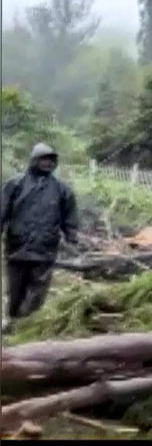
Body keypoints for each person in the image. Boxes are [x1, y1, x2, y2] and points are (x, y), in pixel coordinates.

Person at [0, 143, 79, 335]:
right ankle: (12, 320)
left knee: (37, 292)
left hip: (45, 250)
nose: (47, 163)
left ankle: (25, 325)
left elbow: (70, 217)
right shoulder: (15, 184)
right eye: (44, 159)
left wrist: (72, 236)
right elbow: (2, 211)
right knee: (15, 291)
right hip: (17, 249)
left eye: (51, 160)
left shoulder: (62, 190)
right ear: (34, 160)